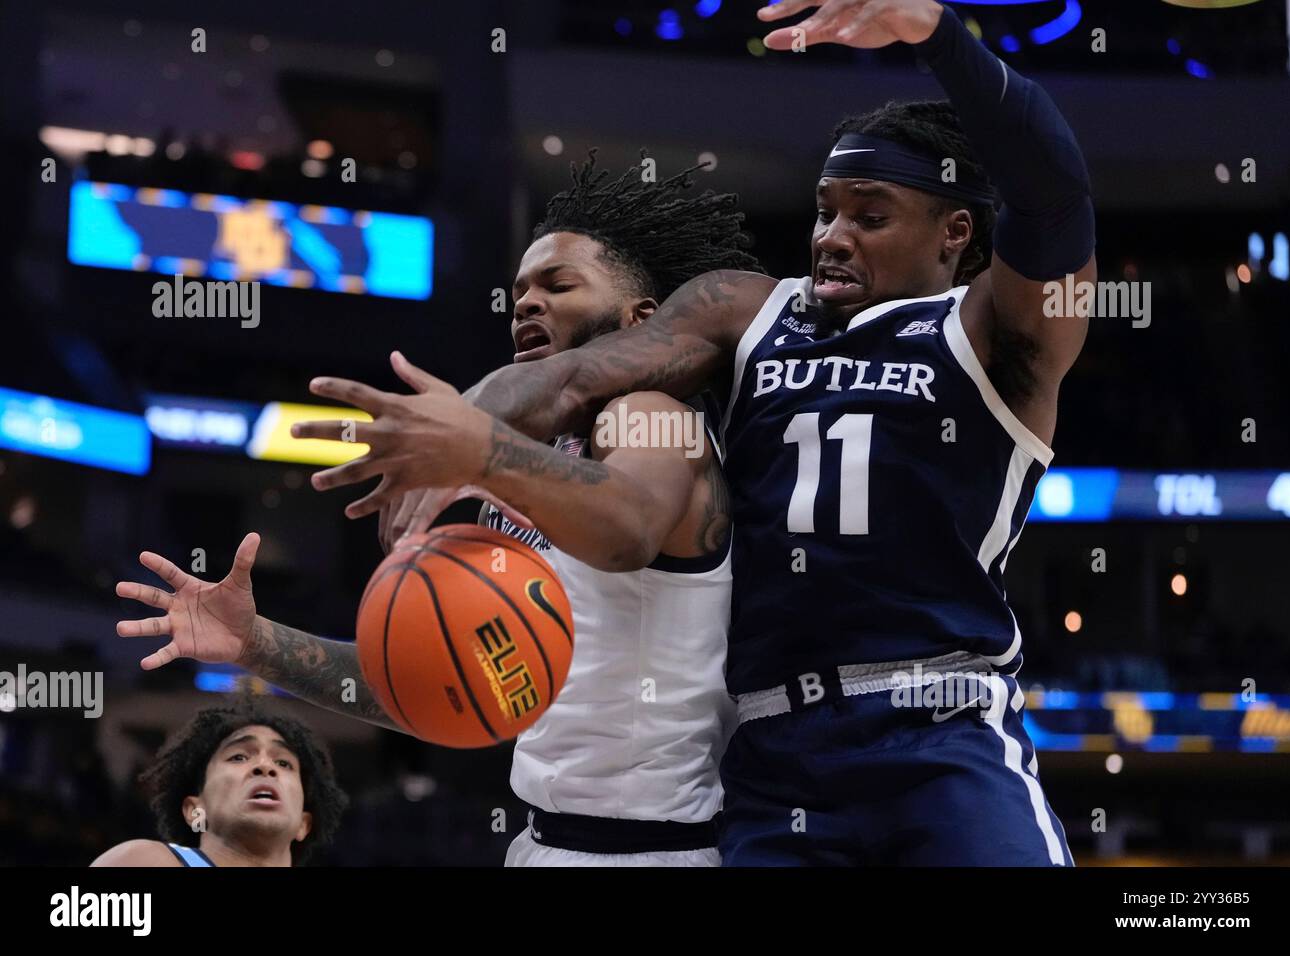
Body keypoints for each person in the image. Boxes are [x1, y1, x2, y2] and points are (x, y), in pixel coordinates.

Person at [297, 0, 1094, 865]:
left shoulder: (996, 333)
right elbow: (580, 372)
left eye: (869, 216)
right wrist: (458, 427)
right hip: (774, 757)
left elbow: (1054, 192)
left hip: (939, 729)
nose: (831, 236)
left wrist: (935, 33)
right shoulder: (749, 307)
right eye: (824, 210)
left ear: (956, 233)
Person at [117, 153, 759, 866]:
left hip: (659, 853)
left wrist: (483, 453)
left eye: (558, 284)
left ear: (642, 320)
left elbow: (631, 530)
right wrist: (257, 643)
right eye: (518, 292)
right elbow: (436, 689)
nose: (526, 303)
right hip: (541, 842)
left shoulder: (653, 416)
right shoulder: (529, 478)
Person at [90, 697, 346, 867]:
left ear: (304, 824)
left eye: (283, 763)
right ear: (195, 810)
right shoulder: (143, 862)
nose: (265, 766)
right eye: (238, 756)